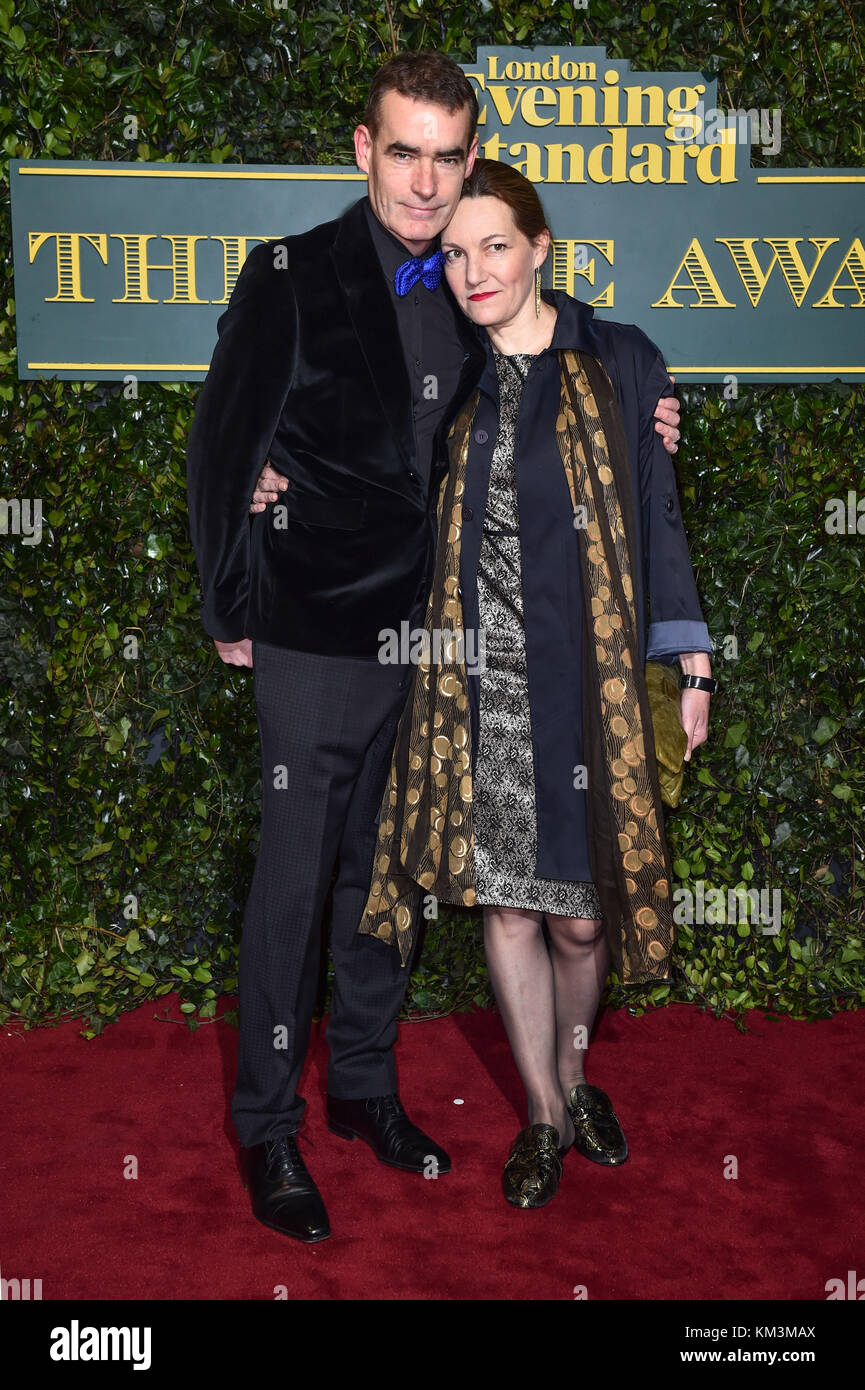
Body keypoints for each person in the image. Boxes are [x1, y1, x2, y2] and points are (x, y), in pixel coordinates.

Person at [188, 51, 683, 1244]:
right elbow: (222, 446)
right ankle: (266, 1124)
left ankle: (361, 1087)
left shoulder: (467, 280)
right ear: (364, 150)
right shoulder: (291, 274)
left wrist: (647, 404)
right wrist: (233, 607)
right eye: (402, 151)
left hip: (445, 642)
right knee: (297, 885)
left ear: (471, 157)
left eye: (445, 155)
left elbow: (558, 367)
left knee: (388, 881)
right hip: (314, 634)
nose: (423, 179)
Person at [354, 158, 716, 1210]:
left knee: (580, 921)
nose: (473, 271)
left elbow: (658, 515)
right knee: (508, 908)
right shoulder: (440, 372)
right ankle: (547, 1114)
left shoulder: (621, 360)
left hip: (588, 682)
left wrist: (689, 665)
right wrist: (277, 477)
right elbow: (376, 489)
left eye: (494, 246)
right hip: (477, 689)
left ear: (541, 246)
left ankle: (576, 1067)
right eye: (454, 253)